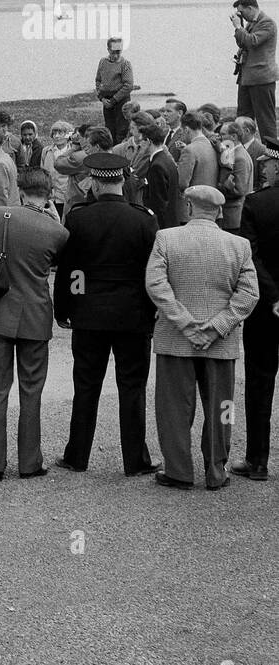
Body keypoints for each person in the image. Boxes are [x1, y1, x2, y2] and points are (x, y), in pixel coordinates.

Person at [53, 154, 160, 476]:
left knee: (86, 385)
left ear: (97, 182)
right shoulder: (144, 219)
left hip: (89, 313)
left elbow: (68, 271)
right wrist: (151, 311)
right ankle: (135, 460)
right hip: (132, 315)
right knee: (132, 387)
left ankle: (77, 455)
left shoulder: (78, 218)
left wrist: (64, 309)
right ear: (122, 181)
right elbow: (152, 272)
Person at [145, 185, 258, 490]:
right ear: (220, 211)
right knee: (223, 408)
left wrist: (186, 324)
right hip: (221, 343)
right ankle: (216, 470)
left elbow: (156, 285)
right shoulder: (239, 245)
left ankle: (179, 471)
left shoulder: (166, 238)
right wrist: (215, 327)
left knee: (173, 409)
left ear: (189, 207)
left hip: (175, 339)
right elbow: (249, 294)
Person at [0, 169, 69, 481]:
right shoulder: (57, 231)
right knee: (32, 391)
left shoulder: (1, 215)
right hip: (35, 314)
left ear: (21, 189)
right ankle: (29, 462)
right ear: (50, 193)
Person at [238, 176, 279, 480]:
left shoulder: (257, 203)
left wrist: (274, 296)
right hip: (269, 302)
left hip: (266, 307)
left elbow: (251, 256)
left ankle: (257, 460)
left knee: (259, 382)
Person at [232, 0, 278, 141]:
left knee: (265, 121)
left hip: (262, 79)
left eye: (242, 12)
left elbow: (251, 42)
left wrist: (238, 27)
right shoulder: (251, 23)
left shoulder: (267, 23)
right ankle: (246, 152)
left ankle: (273, 156)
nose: (241, 16)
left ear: (250, 8)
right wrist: (239, 28)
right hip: (246, 78)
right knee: (243, 118)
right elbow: (243, 43)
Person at [95, 37, 135, 144]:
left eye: (119, 52)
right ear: (108, 49)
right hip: (106, 100)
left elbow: (128, 86)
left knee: (122, 130)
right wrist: (101, 98)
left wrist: (113, 100)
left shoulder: (125, 64)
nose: (116, 55)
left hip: (121, 100)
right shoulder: (103, 62)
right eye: (113, 52)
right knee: (109, 130)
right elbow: (98, 81)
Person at [217, 121, 254, 232]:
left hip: (233, 217)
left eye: (223, 134)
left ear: (233, 136)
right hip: (231, 216)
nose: (220, 137)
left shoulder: (239, 157)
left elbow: (239, 190)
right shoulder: (235, 153)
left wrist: (219, 186)